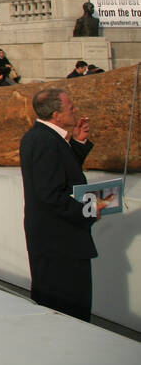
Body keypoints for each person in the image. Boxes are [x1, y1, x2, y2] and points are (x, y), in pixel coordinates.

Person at [20, 87, 114, 321]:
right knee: (68, 308)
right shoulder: (46, 141)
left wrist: (79, 145)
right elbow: (50, 195)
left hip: (51, 240)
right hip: (60, 242)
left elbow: (59, 173)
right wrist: (91, 209)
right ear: (56, 115)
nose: (75, 111)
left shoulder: (40, 136)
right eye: (70, 108)